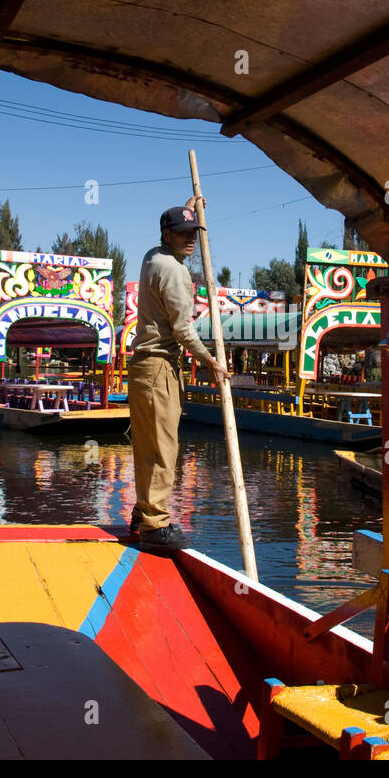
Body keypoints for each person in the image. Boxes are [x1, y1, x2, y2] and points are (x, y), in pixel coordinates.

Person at [127, 197, 227, 551]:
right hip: (159, 367)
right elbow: (184, 331)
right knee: (163, 449)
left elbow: (166, 240)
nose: (190, 239)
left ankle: (143, 512)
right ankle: (155, 526)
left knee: (146, 445)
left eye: (194, 232)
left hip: (142, 368)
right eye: (183, 232)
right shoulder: (175, 271)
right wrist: (212, 361)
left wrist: (187, 208)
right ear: (167, 234)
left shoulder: (151, 257)